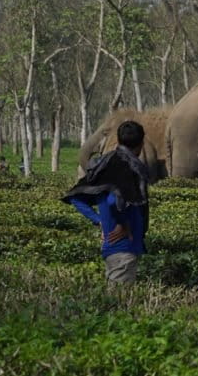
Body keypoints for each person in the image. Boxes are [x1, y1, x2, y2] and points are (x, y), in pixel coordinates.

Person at [63, 120, 150, 284]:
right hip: (123, 249)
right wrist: (122, 224)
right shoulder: (129, 167)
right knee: (119, 304)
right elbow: (113, 200)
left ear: (118, 141)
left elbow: (76, 197)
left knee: (116, 301)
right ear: (141, 144)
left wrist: (100, 221)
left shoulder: (104, 164)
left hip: (114, 247)